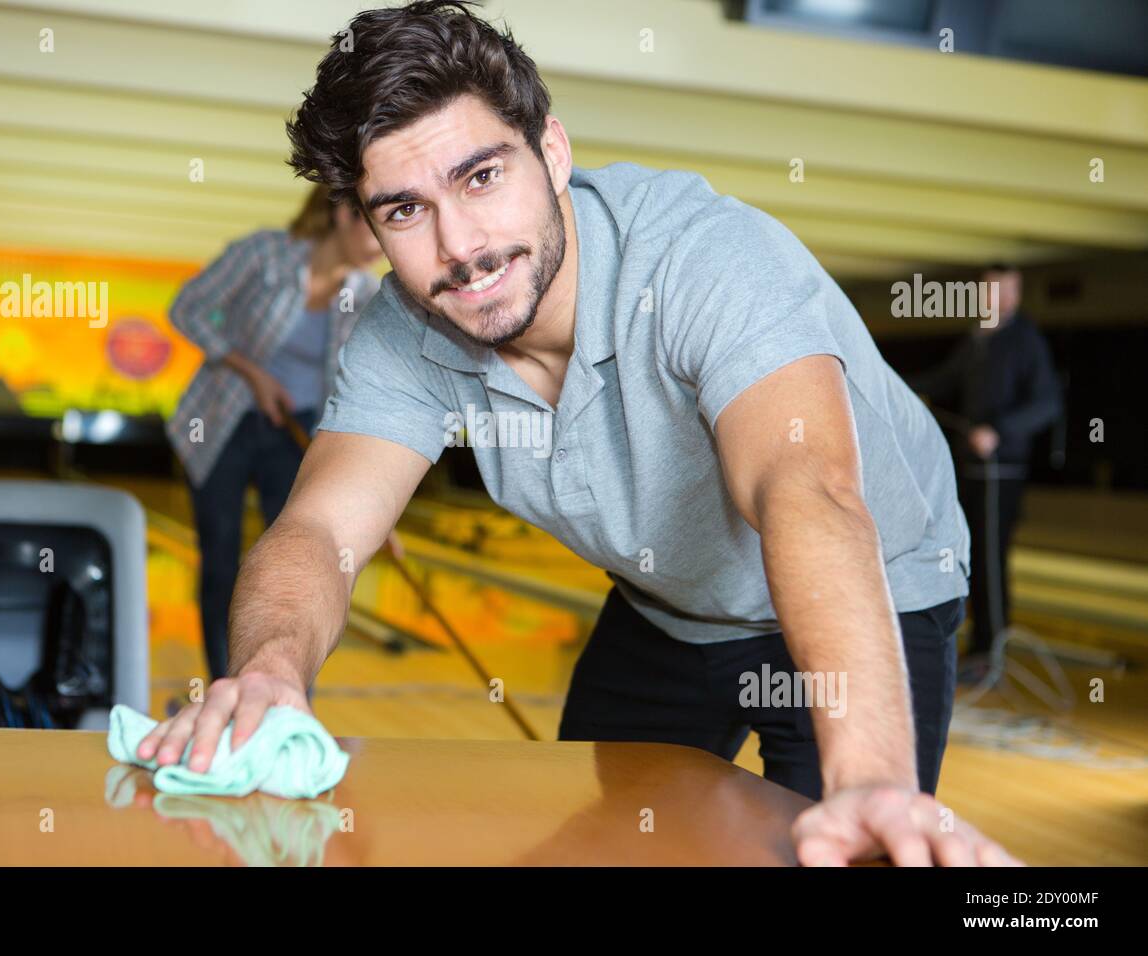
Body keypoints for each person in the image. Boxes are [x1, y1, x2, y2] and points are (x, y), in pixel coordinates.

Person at [142, 1, 1022, 866]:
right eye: (405, 210)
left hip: (873, 592)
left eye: (480, 177)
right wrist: (269, 671)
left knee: (834, 849)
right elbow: (322, 530)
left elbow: (805, 486)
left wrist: (869, 777)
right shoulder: (405, 330)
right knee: (601, 849)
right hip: (670, 608)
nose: (461, 246)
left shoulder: (701, 259)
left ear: (552, 153)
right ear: (373, 229)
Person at [166, 184, 384, 682]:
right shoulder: (265, 255)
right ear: (341, 213)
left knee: (292, 564)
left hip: (297, 431)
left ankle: (282, 689)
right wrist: (252, 372)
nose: (380, 242)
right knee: (221, 561)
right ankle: (223, 686)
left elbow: (355, 392)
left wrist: (375, 500)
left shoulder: (367, 296)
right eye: (371, 223)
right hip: (223, 421)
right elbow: (188, 308)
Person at [909, 265, 1062, 675]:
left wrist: (999, 430)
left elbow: (1048, 403)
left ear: (1015, 295)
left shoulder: (1025, 341)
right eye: (989, 292)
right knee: (969, 554)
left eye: (1003, 292)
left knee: (992, 558)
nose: (995, 300)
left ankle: (990, 650)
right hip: (971, 468)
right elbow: (943, 379)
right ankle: (978, 644)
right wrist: (899, 385)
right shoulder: (978, 338)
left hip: (1001, 470)